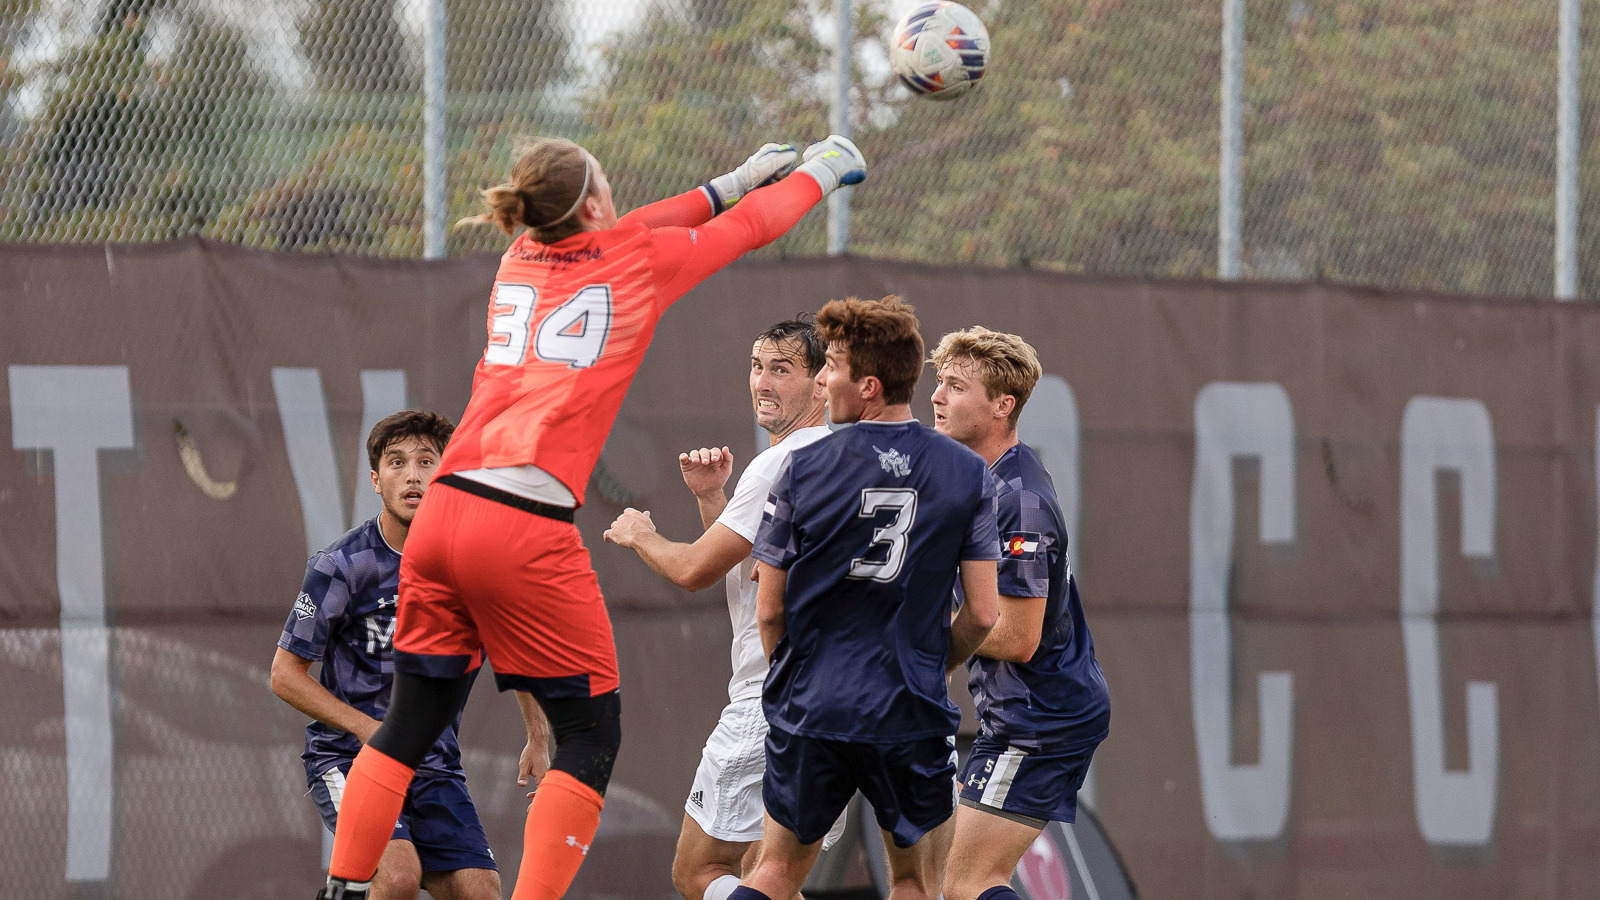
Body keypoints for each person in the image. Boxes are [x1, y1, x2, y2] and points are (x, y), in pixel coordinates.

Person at [316, 134, 868, 900]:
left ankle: (342, 887)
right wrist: (822, 171)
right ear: (595, 203)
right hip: (521, 521)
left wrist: (729, 180)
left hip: (444, 512)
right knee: (589, 735)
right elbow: (750, 230)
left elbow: (639, 224)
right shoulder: (633, 265)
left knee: (410, 720)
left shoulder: (518, 259)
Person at [728, 296, 1000, 900]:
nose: (823, 379)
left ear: (869, 385)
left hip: (814, 702)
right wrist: (934, 663)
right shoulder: (967, 473)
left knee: (773, 872)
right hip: (909, 707)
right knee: (914, 880)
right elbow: (983, 612)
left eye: (833, 368)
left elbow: (768, 606)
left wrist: (791, 673)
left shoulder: (799, 467)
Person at [601, 316, 846, 900]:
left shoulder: (778, 465)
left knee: (699, 873)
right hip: (842, 705)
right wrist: (714, 498)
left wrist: (640, 533)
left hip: (772, 699)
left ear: (821, 385)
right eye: (757, 367)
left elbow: (692, 570)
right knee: (772, 879)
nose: (762, 382)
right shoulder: (844, 459)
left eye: (782, 370)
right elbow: (755, 577)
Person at [273, 410, 524, 900]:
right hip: (348, 757)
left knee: (482, 890)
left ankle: (341, 892)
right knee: (399, 877)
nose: (413, 475)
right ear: (376, 480)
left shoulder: (470, 568)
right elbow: (285, 675)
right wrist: (371, 730)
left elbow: (515, 652)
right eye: (396, 462)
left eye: (427, 461)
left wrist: (537, 736)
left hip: (433, 765)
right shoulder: (341, 566)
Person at [926, 328, 1111, 900]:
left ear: (1002, 406)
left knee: (964, 884)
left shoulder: (1020, 498)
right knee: (951, 882)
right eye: (938, 381)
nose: (936, 396)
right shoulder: (981, 482)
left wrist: (920, 627)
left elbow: (1017, 637)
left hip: (1041, 719)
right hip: (1022, 714)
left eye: (956, 386)